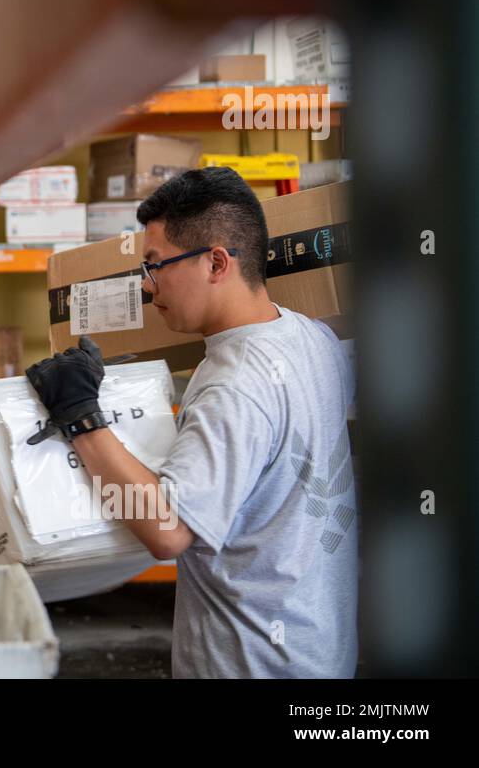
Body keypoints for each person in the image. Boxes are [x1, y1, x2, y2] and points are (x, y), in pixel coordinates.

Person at [26, 167, 357, 677]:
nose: (147, 287)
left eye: (156, 266)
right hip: (318, 649)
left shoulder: (234, 384)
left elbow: (169, 531)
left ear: (216, 263)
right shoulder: (310, 339)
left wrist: (81, 418)